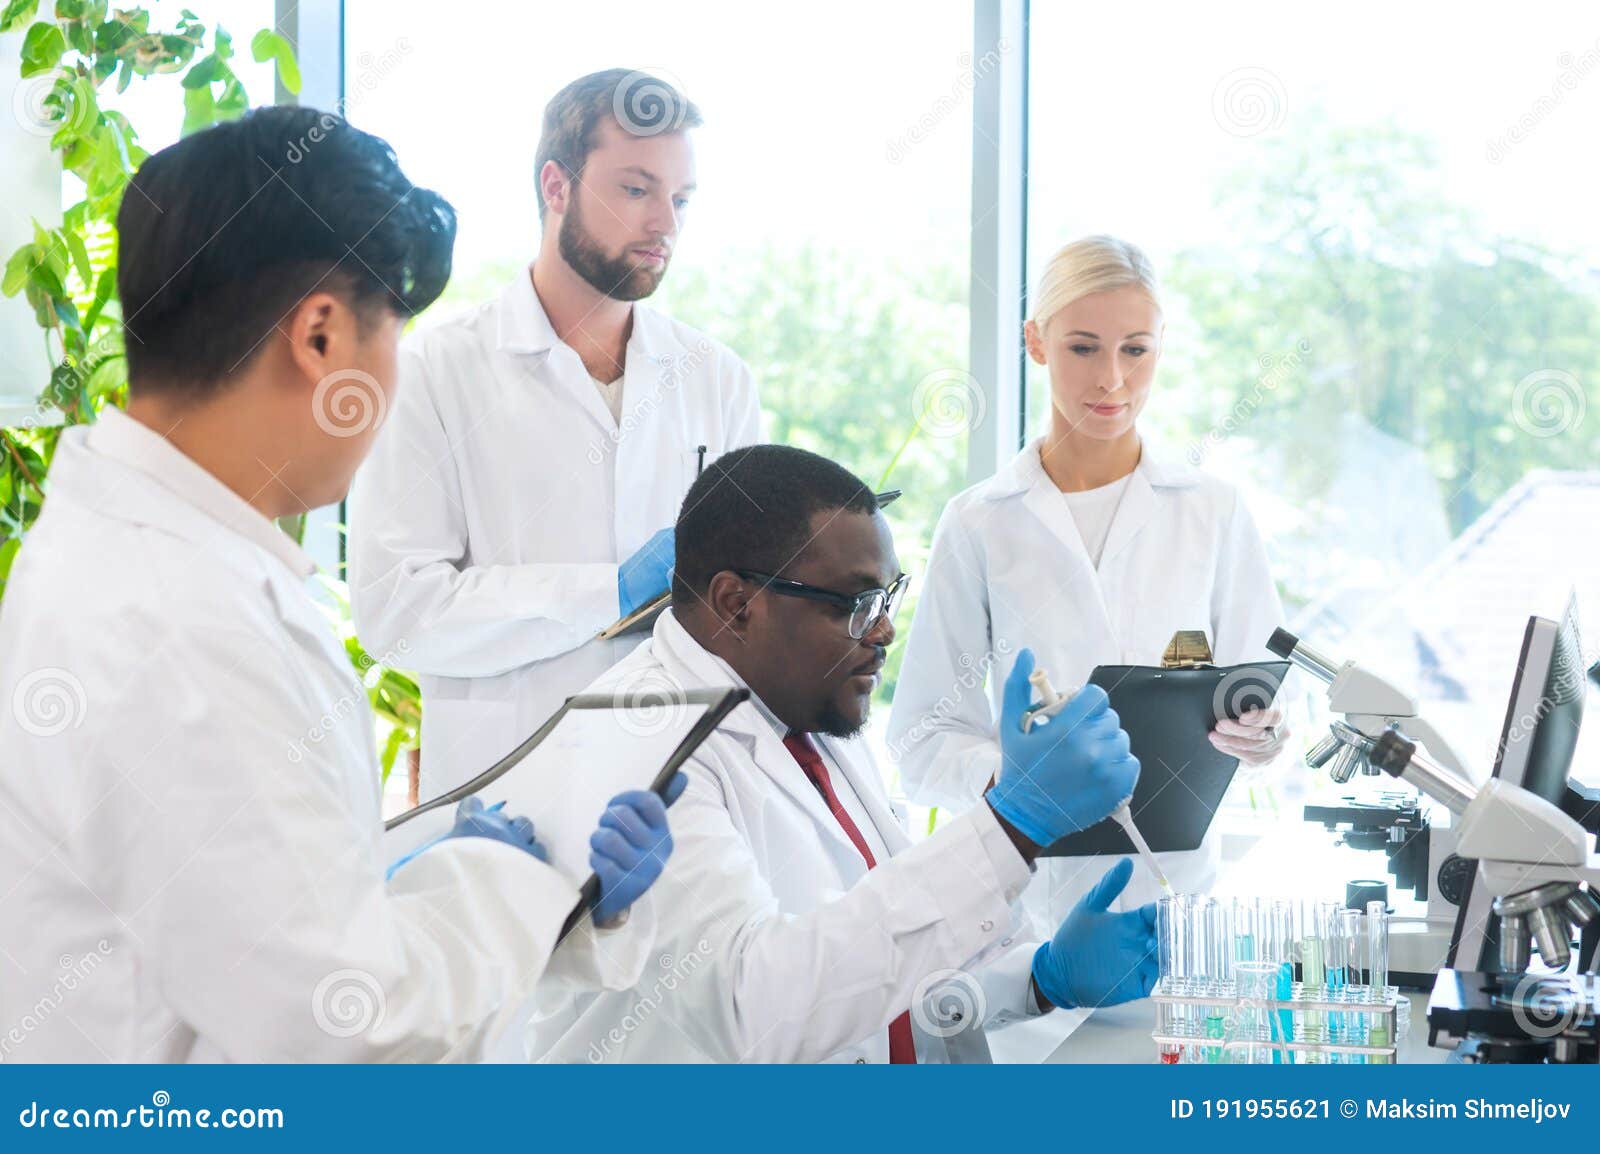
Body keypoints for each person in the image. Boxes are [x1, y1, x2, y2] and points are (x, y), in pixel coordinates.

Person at [0, 107, 680, 1062]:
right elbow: (348, 1029)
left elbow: (270, 941)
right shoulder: (179, 619)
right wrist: (501, 878)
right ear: (320, 337)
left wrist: (468, 885)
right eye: (392, 330)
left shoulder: (144, 555)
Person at [526, 445, 1158, 1063]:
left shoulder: (805, 711)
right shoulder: (638, 741)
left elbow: (879, 964)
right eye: (856, 603)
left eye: (887, 597)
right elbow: (754, 1015)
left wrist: (1038, 979)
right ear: (736, 604)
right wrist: (1012, 827)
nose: (883, 630)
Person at [349, 69, 762, 796]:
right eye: (637, 189)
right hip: (503, 803)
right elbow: (396, 613)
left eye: (681, 198)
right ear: (556, 186)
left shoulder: (718, 380)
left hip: (682, 802)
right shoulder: (437, 373)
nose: (665, 223)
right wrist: (608, 594)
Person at [887, 235, 1288, 930]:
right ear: (1036, 343)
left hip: (1177, 902)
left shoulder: (1211, 510)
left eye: (1136, 349)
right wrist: (1018, 778)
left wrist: (1265, 736)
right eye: (1083, 348)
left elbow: (1265, 701)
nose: (1112, 380)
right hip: (1027, 903)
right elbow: (921, 738)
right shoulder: (981, 522)